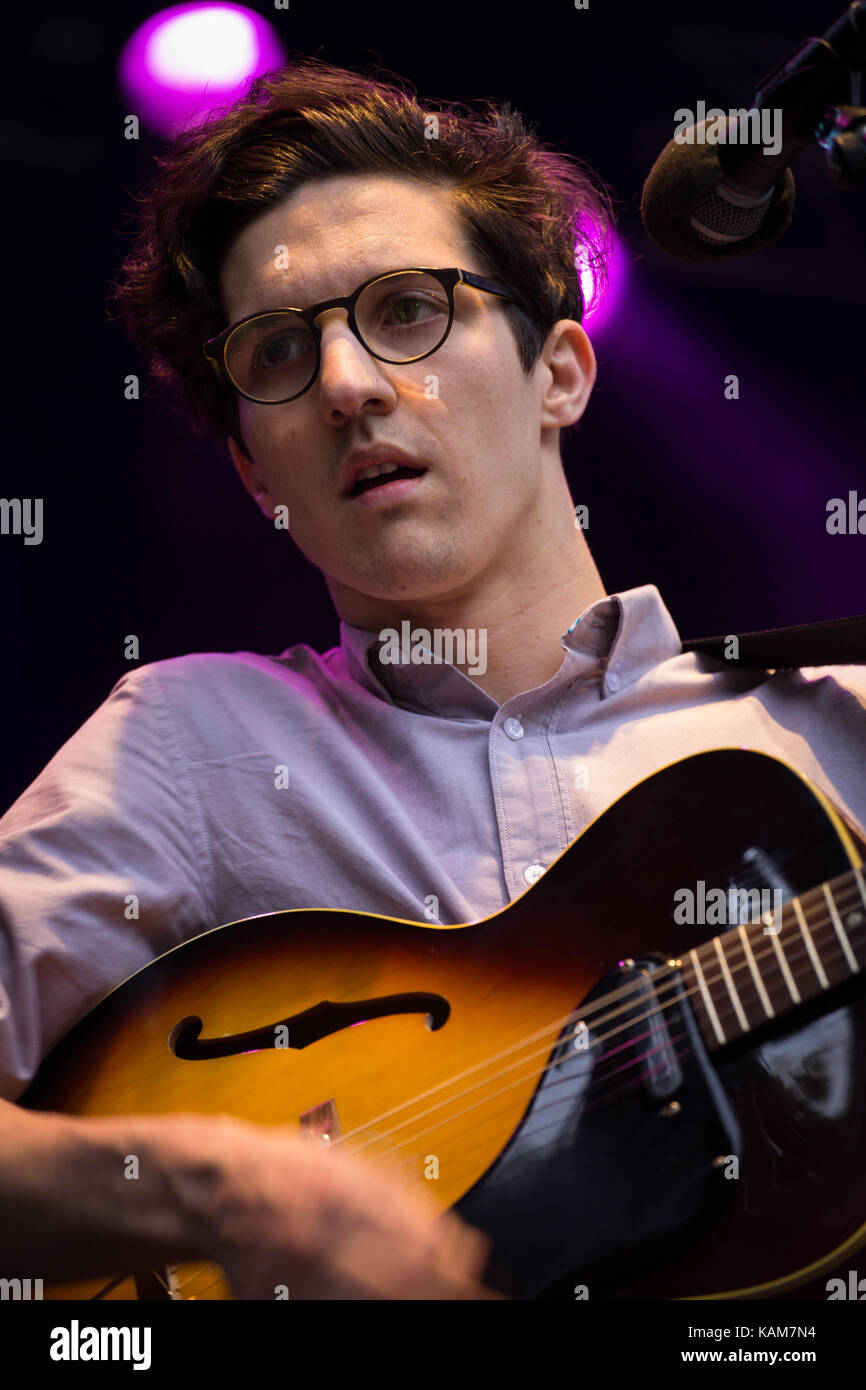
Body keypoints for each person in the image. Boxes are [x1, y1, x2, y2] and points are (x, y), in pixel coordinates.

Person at [1, 56, 864, 1302]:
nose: (348, 385)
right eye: (280, 350)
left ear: (558, 370)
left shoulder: (833, 726)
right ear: (259, 480)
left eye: (408, 311)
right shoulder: (190, 746)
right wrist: (217, 1194)